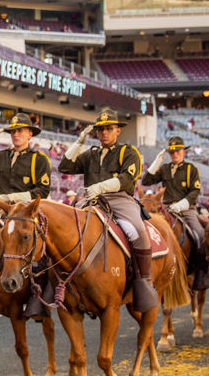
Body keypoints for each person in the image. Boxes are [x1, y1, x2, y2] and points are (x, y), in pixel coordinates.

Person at [59, 108, 156, 310]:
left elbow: (127, 178)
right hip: (92, 200)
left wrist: (101, 187)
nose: (104, 133)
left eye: (109, 128)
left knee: (138, 231)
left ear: (118, 131)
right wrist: (79, 142)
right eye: (100, 129)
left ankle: (144, 281)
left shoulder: (128, 152)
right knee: (63, 227)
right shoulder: (90, 154)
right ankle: (56, 283)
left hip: (119, 199)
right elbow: (65, 167)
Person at [0, 112, 54, 318]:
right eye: (13, 132)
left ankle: (39, 296)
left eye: (20, 131)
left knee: (43, 249)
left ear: (30, 134)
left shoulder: (39, 159)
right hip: (4, 209)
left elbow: (43, 191)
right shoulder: (2, 156)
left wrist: (13, 197)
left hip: (28, 209)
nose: (16, 135)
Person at [142, 136, 209, 289]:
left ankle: (200, 272)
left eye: (178, 151)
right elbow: (146, 181)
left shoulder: (191, 169)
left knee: (200, 234)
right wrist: (156, 163)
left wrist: (181, 204)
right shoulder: (165, 168)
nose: (175, 154)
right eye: (172, 152)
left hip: (186, 209)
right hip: (167, 208)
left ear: (184, 151)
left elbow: (195, 191)